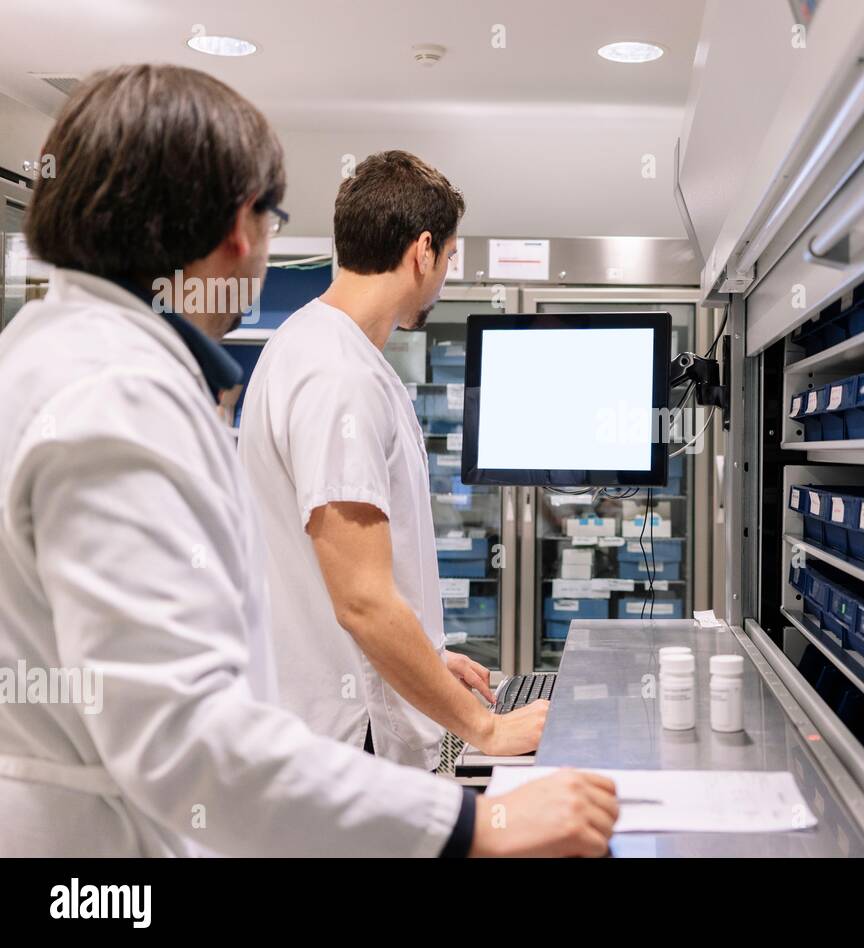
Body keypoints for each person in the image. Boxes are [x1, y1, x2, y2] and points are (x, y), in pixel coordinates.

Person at [0, 63, 616, 857]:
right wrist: (475, 818)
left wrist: (428, 662)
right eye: (273, 218)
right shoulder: (121, 397)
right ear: (239, 226)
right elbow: (187, 733)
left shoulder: (53, 355)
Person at [237, 151, 544, 766]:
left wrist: (427, 658)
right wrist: (486, 730)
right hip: (345, 739)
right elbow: (363, 602)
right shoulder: (339, 375)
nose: (445, 275)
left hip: (331, 722)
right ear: (422, 251)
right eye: (449, 257)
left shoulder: (315, 345)